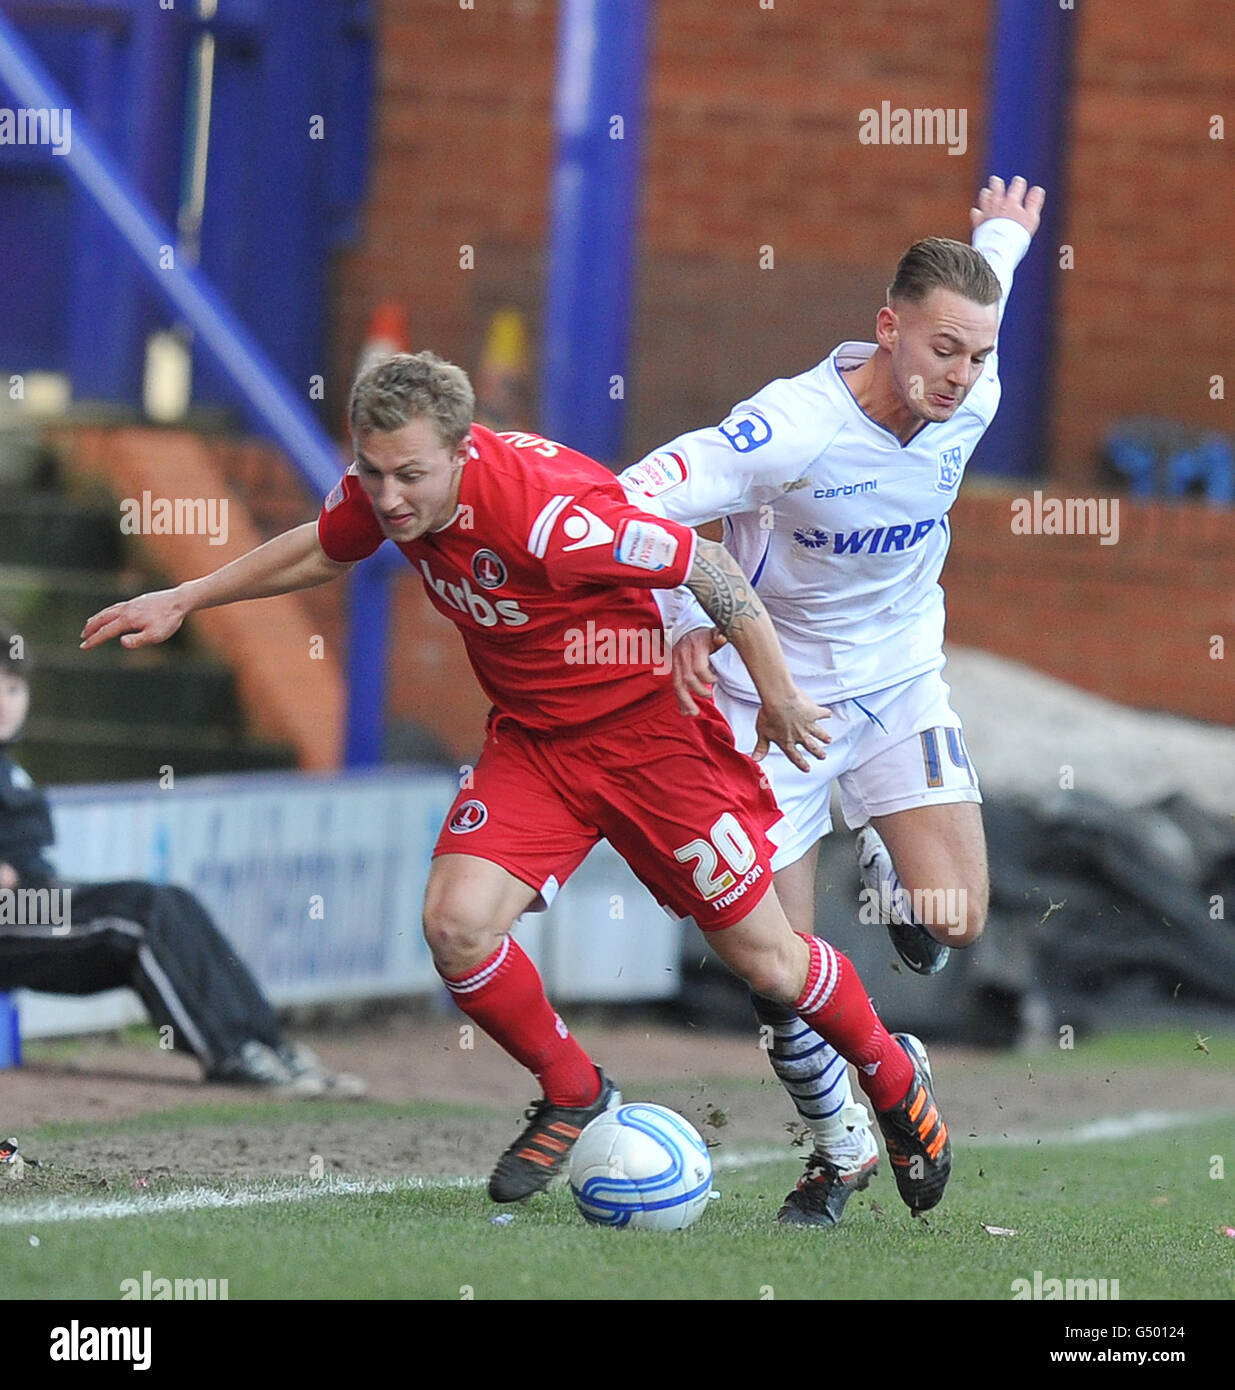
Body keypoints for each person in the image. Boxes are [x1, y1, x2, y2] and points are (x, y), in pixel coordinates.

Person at [82, 350, 952, 1216]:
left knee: (768, 960)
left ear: (463, 451)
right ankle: (574, 1088)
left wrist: (777, 695)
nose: (389, 499)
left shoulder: (551, 518)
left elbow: (710, 567)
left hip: (650, 744)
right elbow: (325, 548)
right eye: (372, 473)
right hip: (536, 745)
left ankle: (892, 1082)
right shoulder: (391, 490)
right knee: (455, 927)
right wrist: (187, 598)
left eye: (410, 477)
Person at [619, 174, 1044, 1225]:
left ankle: (881, 854)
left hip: (897, 679)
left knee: (952, 914)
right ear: (885, 327)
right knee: (775, 973)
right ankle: (841, 1143)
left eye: (977, 355)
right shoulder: (790, 426)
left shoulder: (973, 395)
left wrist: (1000, 231)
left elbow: (989, 284)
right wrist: (682, 618)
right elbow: (631, 502)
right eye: (939, 349)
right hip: (770, 701)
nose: (959, 375)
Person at [0, 627, 365, 1098]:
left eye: (13, 688)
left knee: (170, 901)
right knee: (140, 915)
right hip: (13, 914)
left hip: (33, 902)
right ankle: (231, 1054)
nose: (6, 702)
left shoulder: (11, 766)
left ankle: (268, 1043)